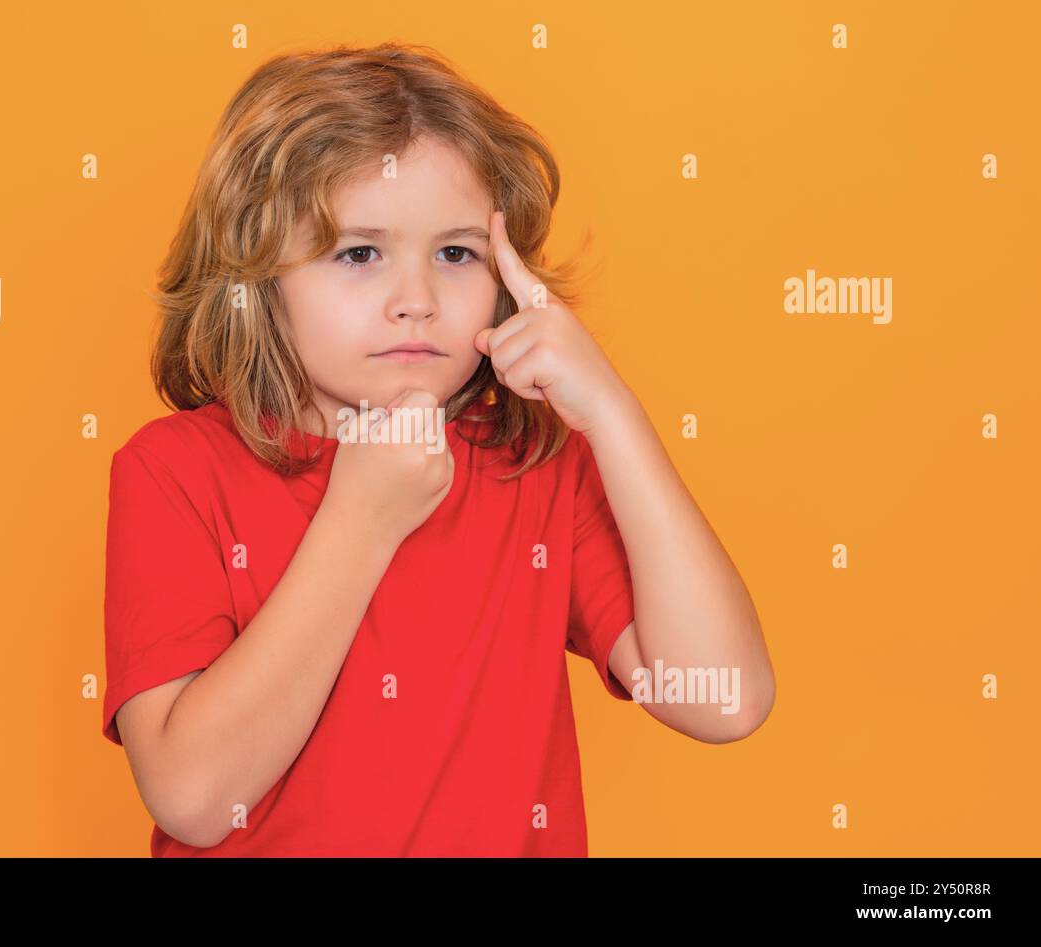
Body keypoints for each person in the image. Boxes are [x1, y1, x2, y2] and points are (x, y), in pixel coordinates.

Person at [101, 41, 775, 857]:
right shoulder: (172, 471)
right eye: (359, 253)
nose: (415, 302)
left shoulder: (537, 462)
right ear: (253, 276)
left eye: (455, 254)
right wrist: (361, 521)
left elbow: (726, 699)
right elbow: (194, 796)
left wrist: (612, 413)